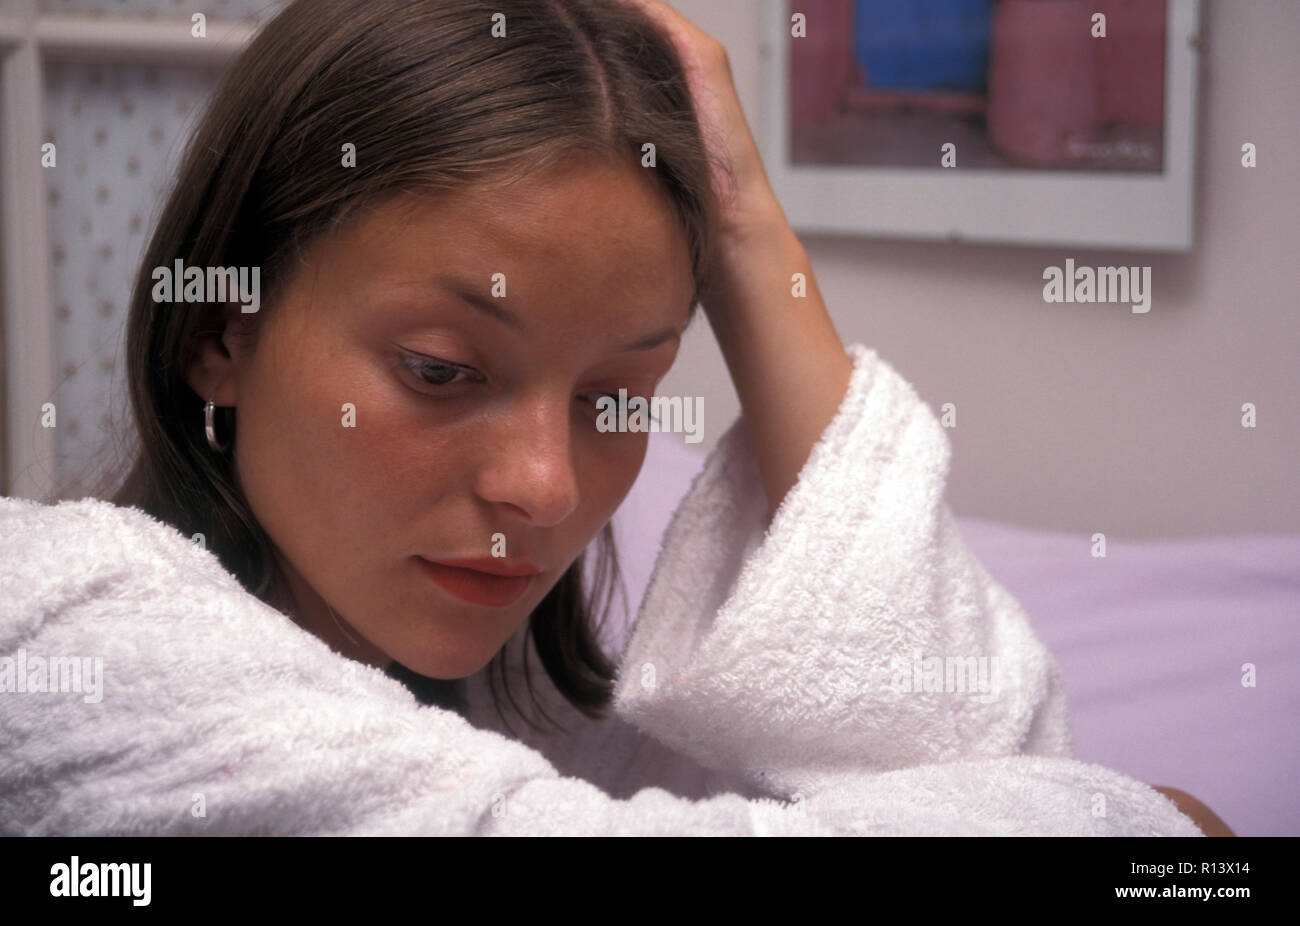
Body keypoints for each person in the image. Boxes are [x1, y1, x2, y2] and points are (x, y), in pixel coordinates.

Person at [0, 0, 1229, 836]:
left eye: (614, 397)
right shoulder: (61, 628)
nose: (545, 485)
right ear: (223, 332)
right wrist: (1142, 826)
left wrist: (752, 239)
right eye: (440, 368)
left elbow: (973, 752)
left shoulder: (545, 726)